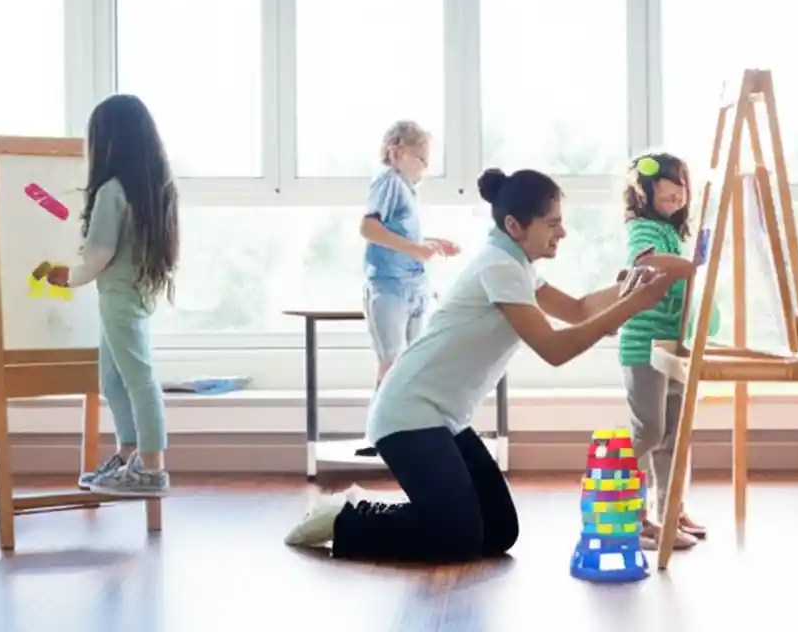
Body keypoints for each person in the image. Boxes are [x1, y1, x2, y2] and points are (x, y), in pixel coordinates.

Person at [284, 168, 675, 561]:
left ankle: (400, 514)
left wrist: (630, 288)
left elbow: (578, 310)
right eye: (553, 223)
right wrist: (632, 305)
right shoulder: (499, 267)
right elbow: (554, 349)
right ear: (514, 225)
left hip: (442, 419)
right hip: (408, 415)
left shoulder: (517, 266)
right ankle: (345, 520)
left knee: (498, 530)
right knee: (458, 536)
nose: (563, 232)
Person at [46, 94, 180, 497]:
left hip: (119, 298)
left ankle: (152, 467)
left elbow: (98, 255)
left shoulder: (112, 191)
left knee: (138, 379)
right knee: (113, 377)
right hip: (133, 294)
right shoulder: (153, 190)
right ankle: (128, 455)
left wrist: (67, 277)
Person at [356, 121, 459, 455]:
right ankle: (381, 434)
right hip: (390, 284)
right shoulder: (388, 181)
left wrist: (431, 243)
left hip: (413, 284)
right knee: (392, 360)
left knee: (411, 361)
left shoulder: (405, 188)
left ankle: (403, 429)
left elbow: (401, 234)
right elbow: (369, 228)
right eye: (421, 160)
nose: (424, 169)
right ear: (397, 152)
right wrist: (415, 249)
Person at [617, 152, 702, 549]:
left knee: (672, 436)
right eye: (670, 185)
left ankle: (670, 514)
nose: (679, 193)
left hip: (673, 344)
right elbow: (647, 260)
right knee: (648, 431)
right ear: (645, 190)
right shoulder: (644, 228)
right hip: (644, 345)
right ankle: (627, 513)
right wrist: (691, 266)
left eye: (683, 186)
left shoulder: (672, 232)